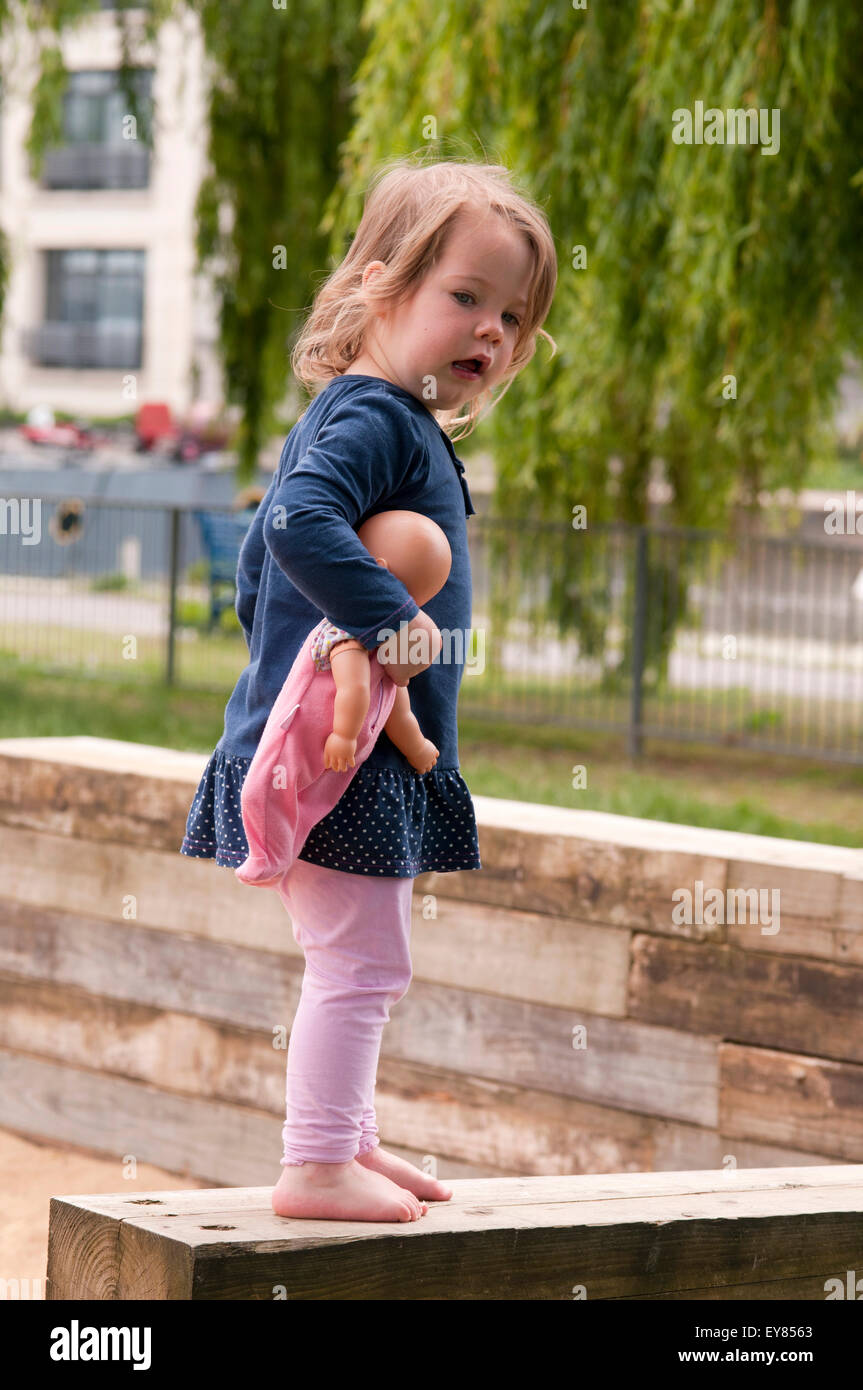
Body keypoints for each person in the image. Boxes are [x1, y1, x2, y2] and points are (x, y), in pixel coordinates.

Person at [179, 157, 558, 1223]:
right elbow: (296, 527)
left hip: (340, 755)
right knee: (362, 961)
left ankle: (346, 1138)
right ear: (380, 289)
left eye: (513, 316)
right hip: (344, 764)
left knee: (358, 956)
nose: (490, 330)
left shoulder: (386, 422)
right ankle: (313, 1164)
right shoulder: (378, 419)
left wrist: (305, 655)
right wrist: (384, 630)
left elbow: (262, 571)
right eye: (466, 297)